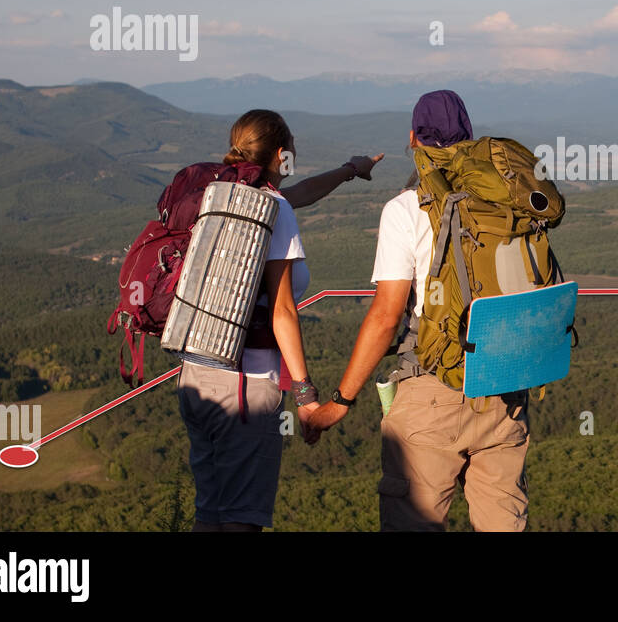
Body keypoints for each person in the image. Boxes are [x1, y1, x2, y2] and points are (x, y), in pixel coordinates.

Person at [308, 91, 531, 531]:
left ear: (414, 140)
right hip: (505, 386)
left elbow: (386, 315)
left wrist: (340, 401)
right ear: (469, 138)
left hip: (432, 388)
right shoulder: (509, 201)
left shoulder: (406, 209)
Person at [176, 108, 383, 531]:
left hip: (196, 376)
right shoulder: (274, 210)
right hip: (246, 390)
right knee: (241, 521)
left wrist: (350, 170)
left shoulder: (218, 195)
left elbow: (301, 192)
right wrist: (307, 398)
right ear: (281, 154)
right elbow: (283, 311)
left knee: (210, 514)